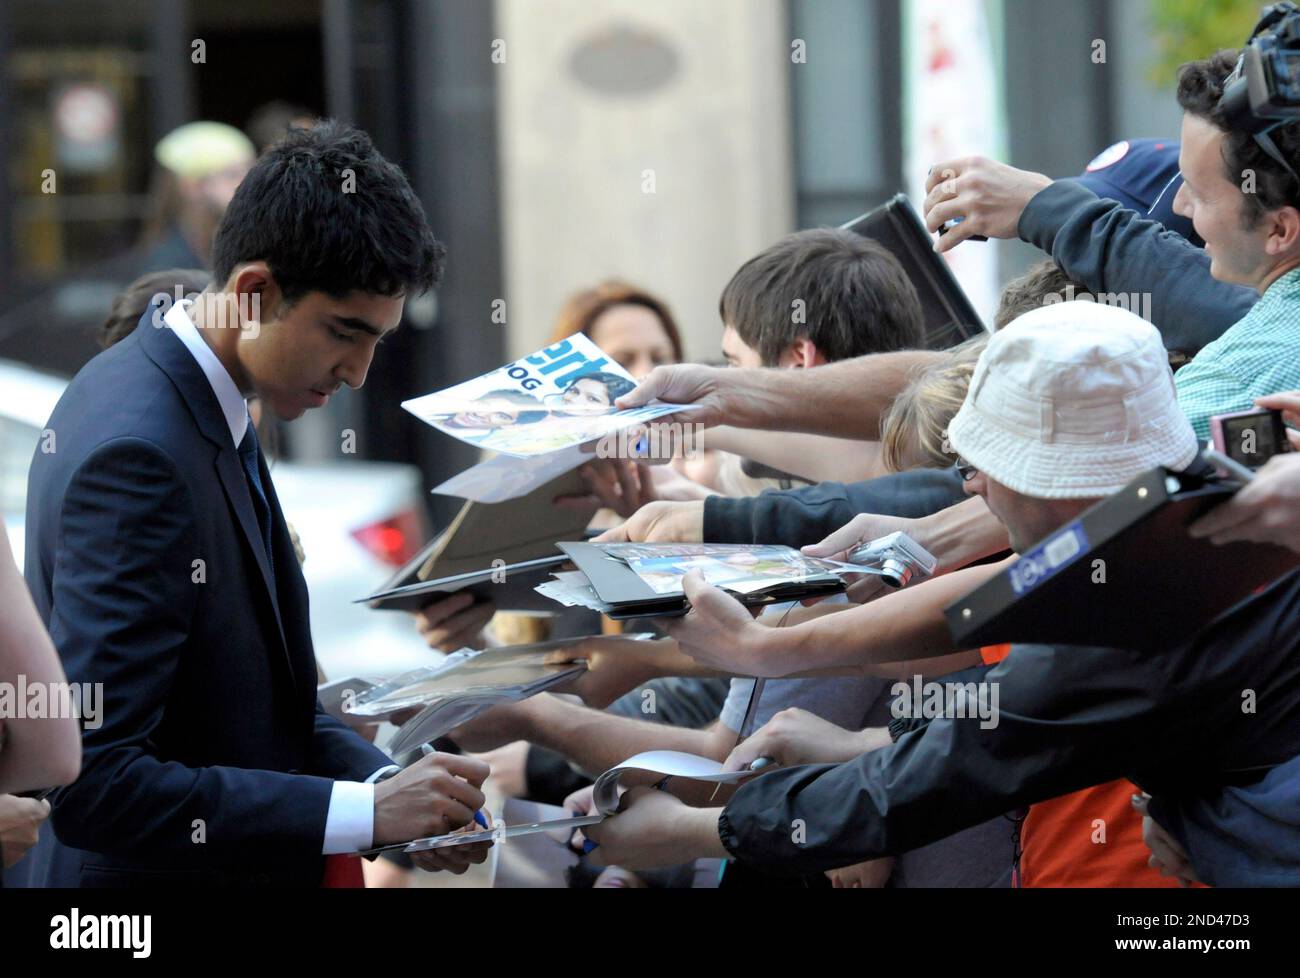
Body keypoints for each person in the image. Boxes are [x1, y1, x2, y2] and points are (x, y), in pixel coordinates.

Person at [583, 301, 1300, 880]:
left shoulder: (1122, 630)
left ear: (1046, 486)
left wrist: (688, 830)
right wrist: (768, 649)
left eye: (986, 463)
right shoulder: (1212, 505)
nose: (972, 486)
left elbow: (919, 781)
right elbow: (992, 601)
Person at [17, 121, 491, 888]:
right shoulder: (141, 448)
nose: (361, 372)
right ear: (253, 294)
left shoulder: (201, 390)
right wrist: (366, 814)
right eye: (344, 333)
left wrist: (390, 794)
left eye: (378, 339)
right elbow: (95, 783)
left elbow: (267, 708)